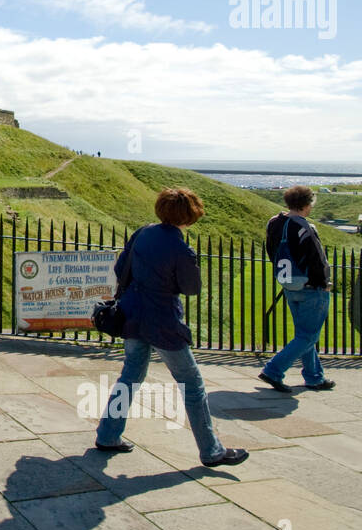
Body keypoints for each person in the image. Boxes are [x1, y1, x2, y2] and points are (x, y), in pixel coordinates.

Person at [95, 187, 248, 467]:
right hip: (163, 320)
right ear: (189, 217)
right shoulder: (181, 248)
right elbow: (191, 288)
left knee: (129, 377)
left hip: (131, 314)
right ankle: (212, 451)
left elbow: (120, 270)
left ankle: (107, 435)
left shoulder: (142, 232)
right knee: (192, 384)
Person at [260, 185, 336, 392]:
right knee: (308, 336)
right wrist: (324, 283)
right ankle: (273, 370)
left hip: (288, 284)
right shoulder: (304, 227)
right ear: (307, 204)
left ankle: (314, 377)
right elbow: (317, 258)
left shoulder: (274, 223)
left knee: (304, 334)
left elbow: (270, 250)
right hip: (310, 287)